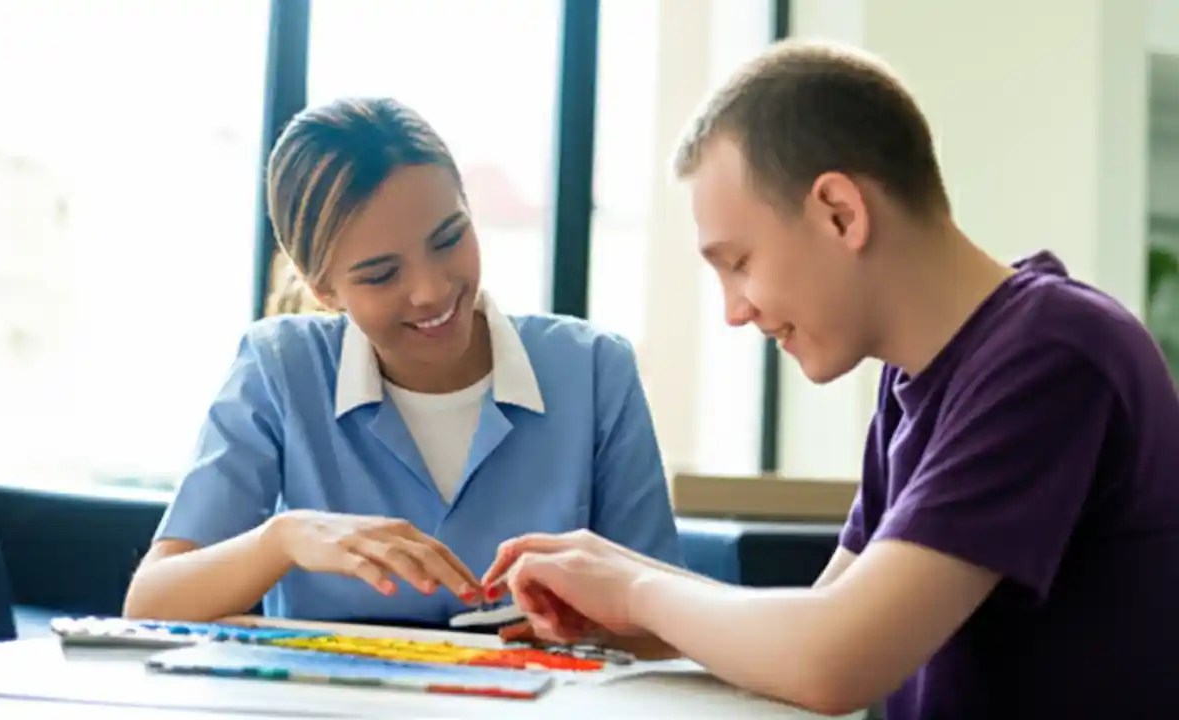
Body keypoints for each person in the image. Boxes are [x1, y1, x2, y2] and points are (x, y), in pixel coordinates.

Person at [480, 39, 1179, 719]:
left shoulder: (1055, 353)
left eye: (740, 262)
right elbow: (818, 620)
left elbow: (834, 660)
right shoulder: (920, 379)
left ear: (840, 213)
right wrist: (615, 584)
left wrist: (632, 589)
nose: (734, 310)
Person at [122, 97, 682, 627]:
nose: (431, 291)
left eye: (449, 239)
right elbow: (149, 604)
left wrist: (595, 624)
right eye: (382, 275)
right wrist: (284, 537)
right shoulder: (280, 370)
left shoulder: (593, 371)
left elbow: (665, 621)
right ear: (323, 290)